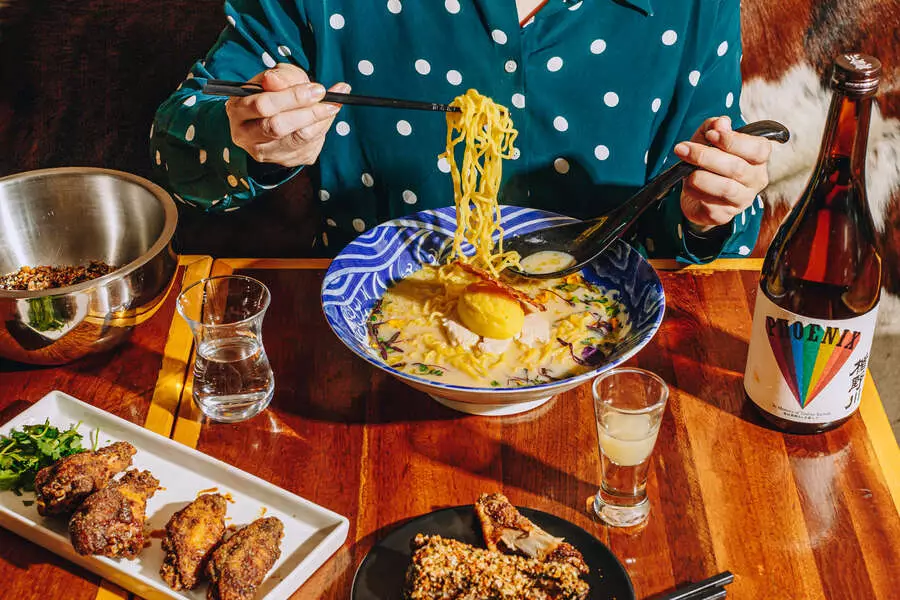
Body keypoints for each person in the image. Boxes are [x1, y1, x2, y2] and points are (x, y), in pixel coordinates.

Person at [152, 0, 772, 262]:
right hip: (375, 333)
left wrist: (710, 207)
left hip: (606, 344)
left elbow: (711, 218)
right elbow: (180, 147)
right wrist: (251, 139)